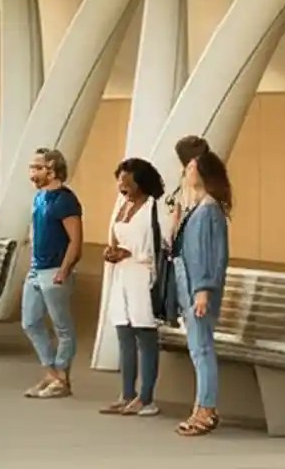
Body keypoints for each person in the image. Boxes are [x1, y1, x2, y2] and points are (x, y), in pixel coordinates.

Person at [100, 158, 171, 417]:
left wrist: (132, 253)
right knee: (124, 334)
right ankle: (126, 394)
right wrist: (112, 251)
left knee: (145, 335)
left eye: (128, 182)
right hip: (122, 275)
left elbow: (163, 245)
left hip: (143, 276)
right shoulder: (122, 205)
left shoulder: (154, 208)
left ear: (141, 183)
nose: (122, 187)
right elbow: (116, 236)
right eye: (120, 181)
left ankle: (146, 398)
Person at [173, 151, 232, 437]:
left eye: (192, 167)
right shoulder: (197, 208)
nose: (187, 170)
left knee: (202, 349)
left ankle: (206, 409)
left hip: (199, 290)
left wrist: (203, 290)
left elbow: (208, 255)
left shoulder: (208, 211)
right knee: (198, 348)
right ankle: (202, 406)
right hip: (191, 288)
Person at [22, 147, 83, 399]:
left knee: (62, 326)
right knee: (30, 321)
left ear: (52, 170)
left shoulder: (65, 200)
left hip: (55, 269)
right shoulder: (39, 198)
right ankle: (52, 372)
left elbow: (75, 240)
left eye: (37, 168)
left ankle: (62, 376)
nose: (32, 173)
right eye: (32, 167)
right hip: (36, 269)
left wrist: (65, 269)